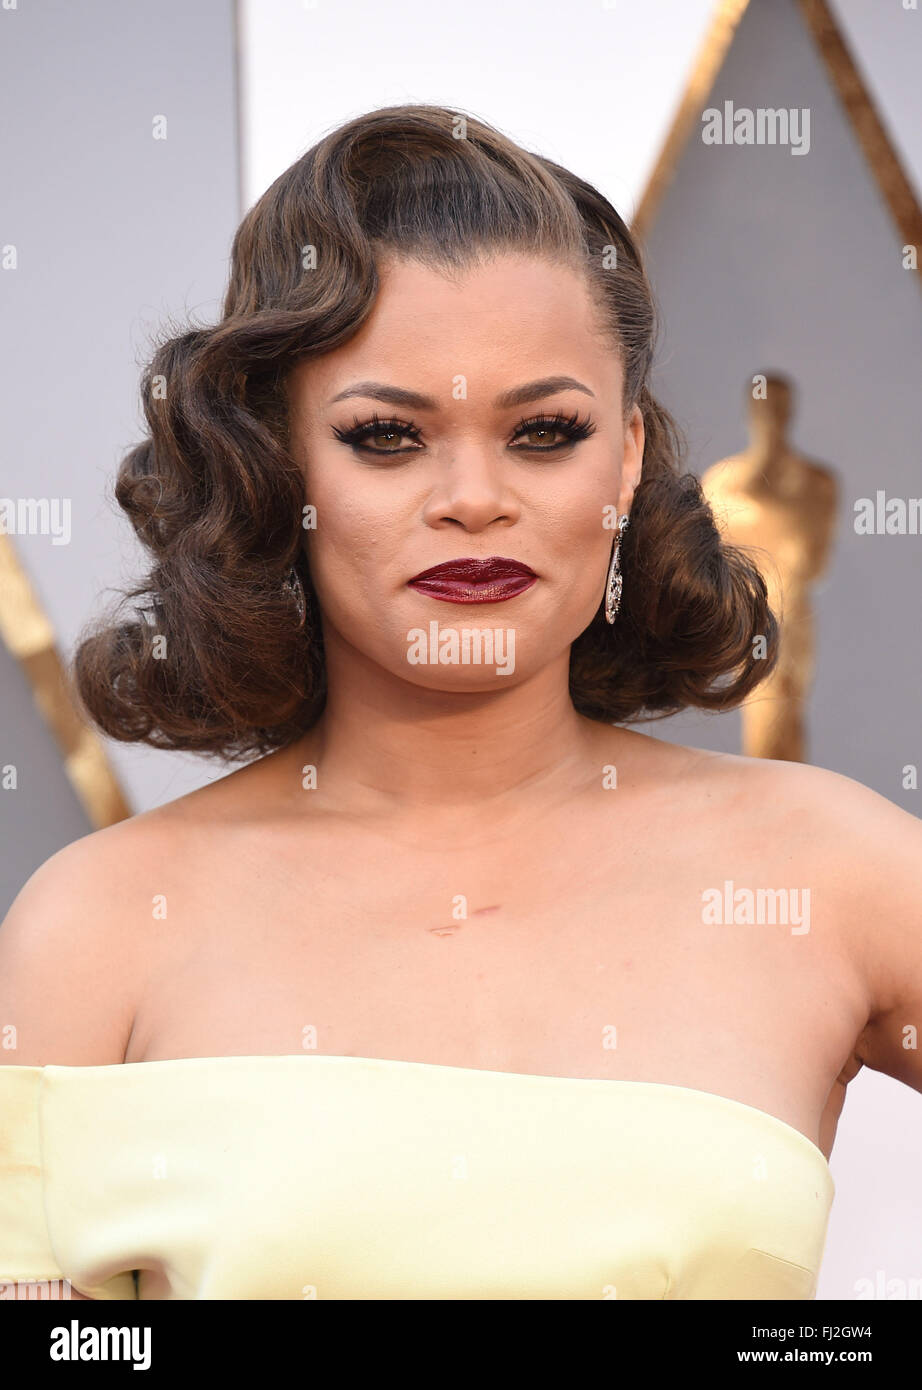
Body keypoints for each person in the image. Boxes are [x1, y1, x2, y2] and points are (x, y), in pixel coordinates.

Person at [1, 104, 919, 1301]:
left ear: (628, 455)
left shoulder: (833, 868)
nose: (474, 497)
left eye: (545, 432)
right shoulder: (99, 925)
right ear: (276, 459)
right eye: (388, 437)